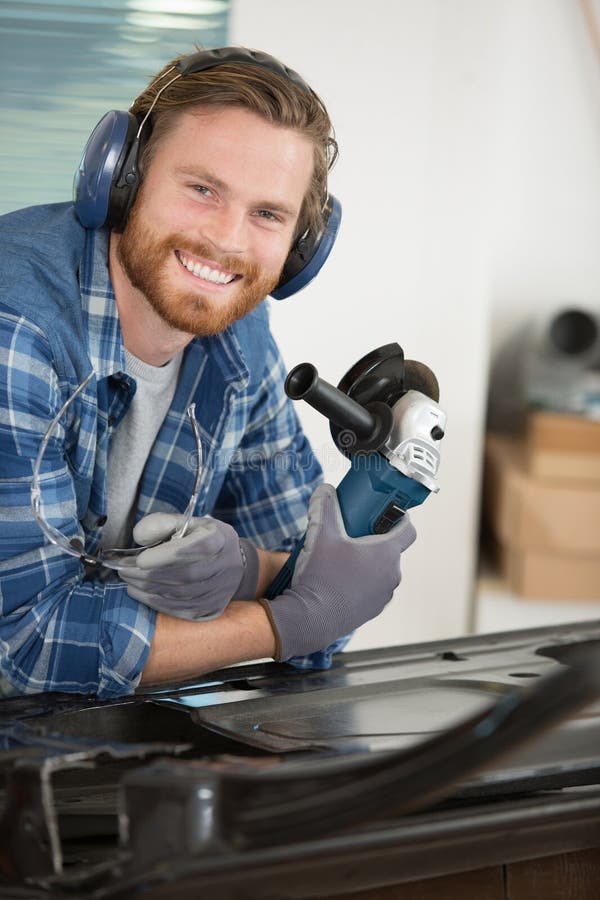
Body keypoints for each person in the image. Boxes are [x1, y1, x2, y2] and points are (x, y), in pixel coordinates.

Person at [0, 47, 416, 699]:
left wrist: (250, 571)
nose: (227, 240)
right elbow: (28, 641)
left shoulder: (238, 338)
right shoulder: (16, 321)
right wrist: (280, 623)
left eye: (267, 214)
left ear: (301, 248)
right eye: (202, 190)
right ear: (121, 178)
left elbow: (318, 570)